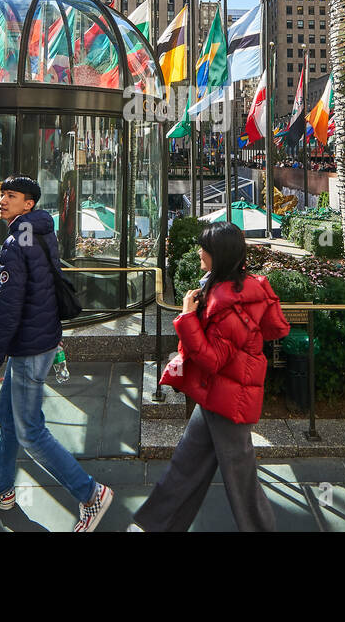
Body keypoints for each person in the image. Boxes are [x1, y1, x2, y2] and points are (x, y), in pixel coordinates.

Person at [0, 175, 114, 532]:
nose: (2, 200)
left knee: (31, 430)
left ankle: (90, 493)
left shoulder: (18, 240)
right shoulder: (41, 232)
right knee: (6, 414)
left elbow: (9, 306)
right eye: (2, 194)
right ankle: (2, 488)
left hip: (29, 347)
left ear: (28, 203)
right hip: (41, 339)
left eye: (11, 196)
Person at [131, 222, 290, 532]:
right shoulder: (225, 289)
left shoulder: (230, 303)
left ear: (219, 255)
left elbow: (212, 359)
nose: (199, 252)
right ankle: (152, 526)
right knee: (186, 467)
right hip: (218, 395)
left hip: (229, 399)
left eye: (204, 247)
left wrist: (188, 317)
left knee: (239, 481)